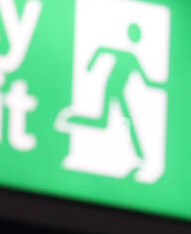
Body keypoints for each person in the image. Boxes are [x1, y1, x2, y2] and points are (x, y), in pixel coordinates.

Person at [64, 23, 165, 163]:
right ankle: (140, 154)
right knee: (121, 120)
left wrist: (164, 86)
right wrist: (90, 65)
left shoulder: (132, 58)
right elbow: (102, 49)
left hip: (117, 90)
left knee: (108, 121)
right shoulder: (127, 55)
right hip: (112, 89)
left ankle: (72, 119)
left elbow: (146, 81)